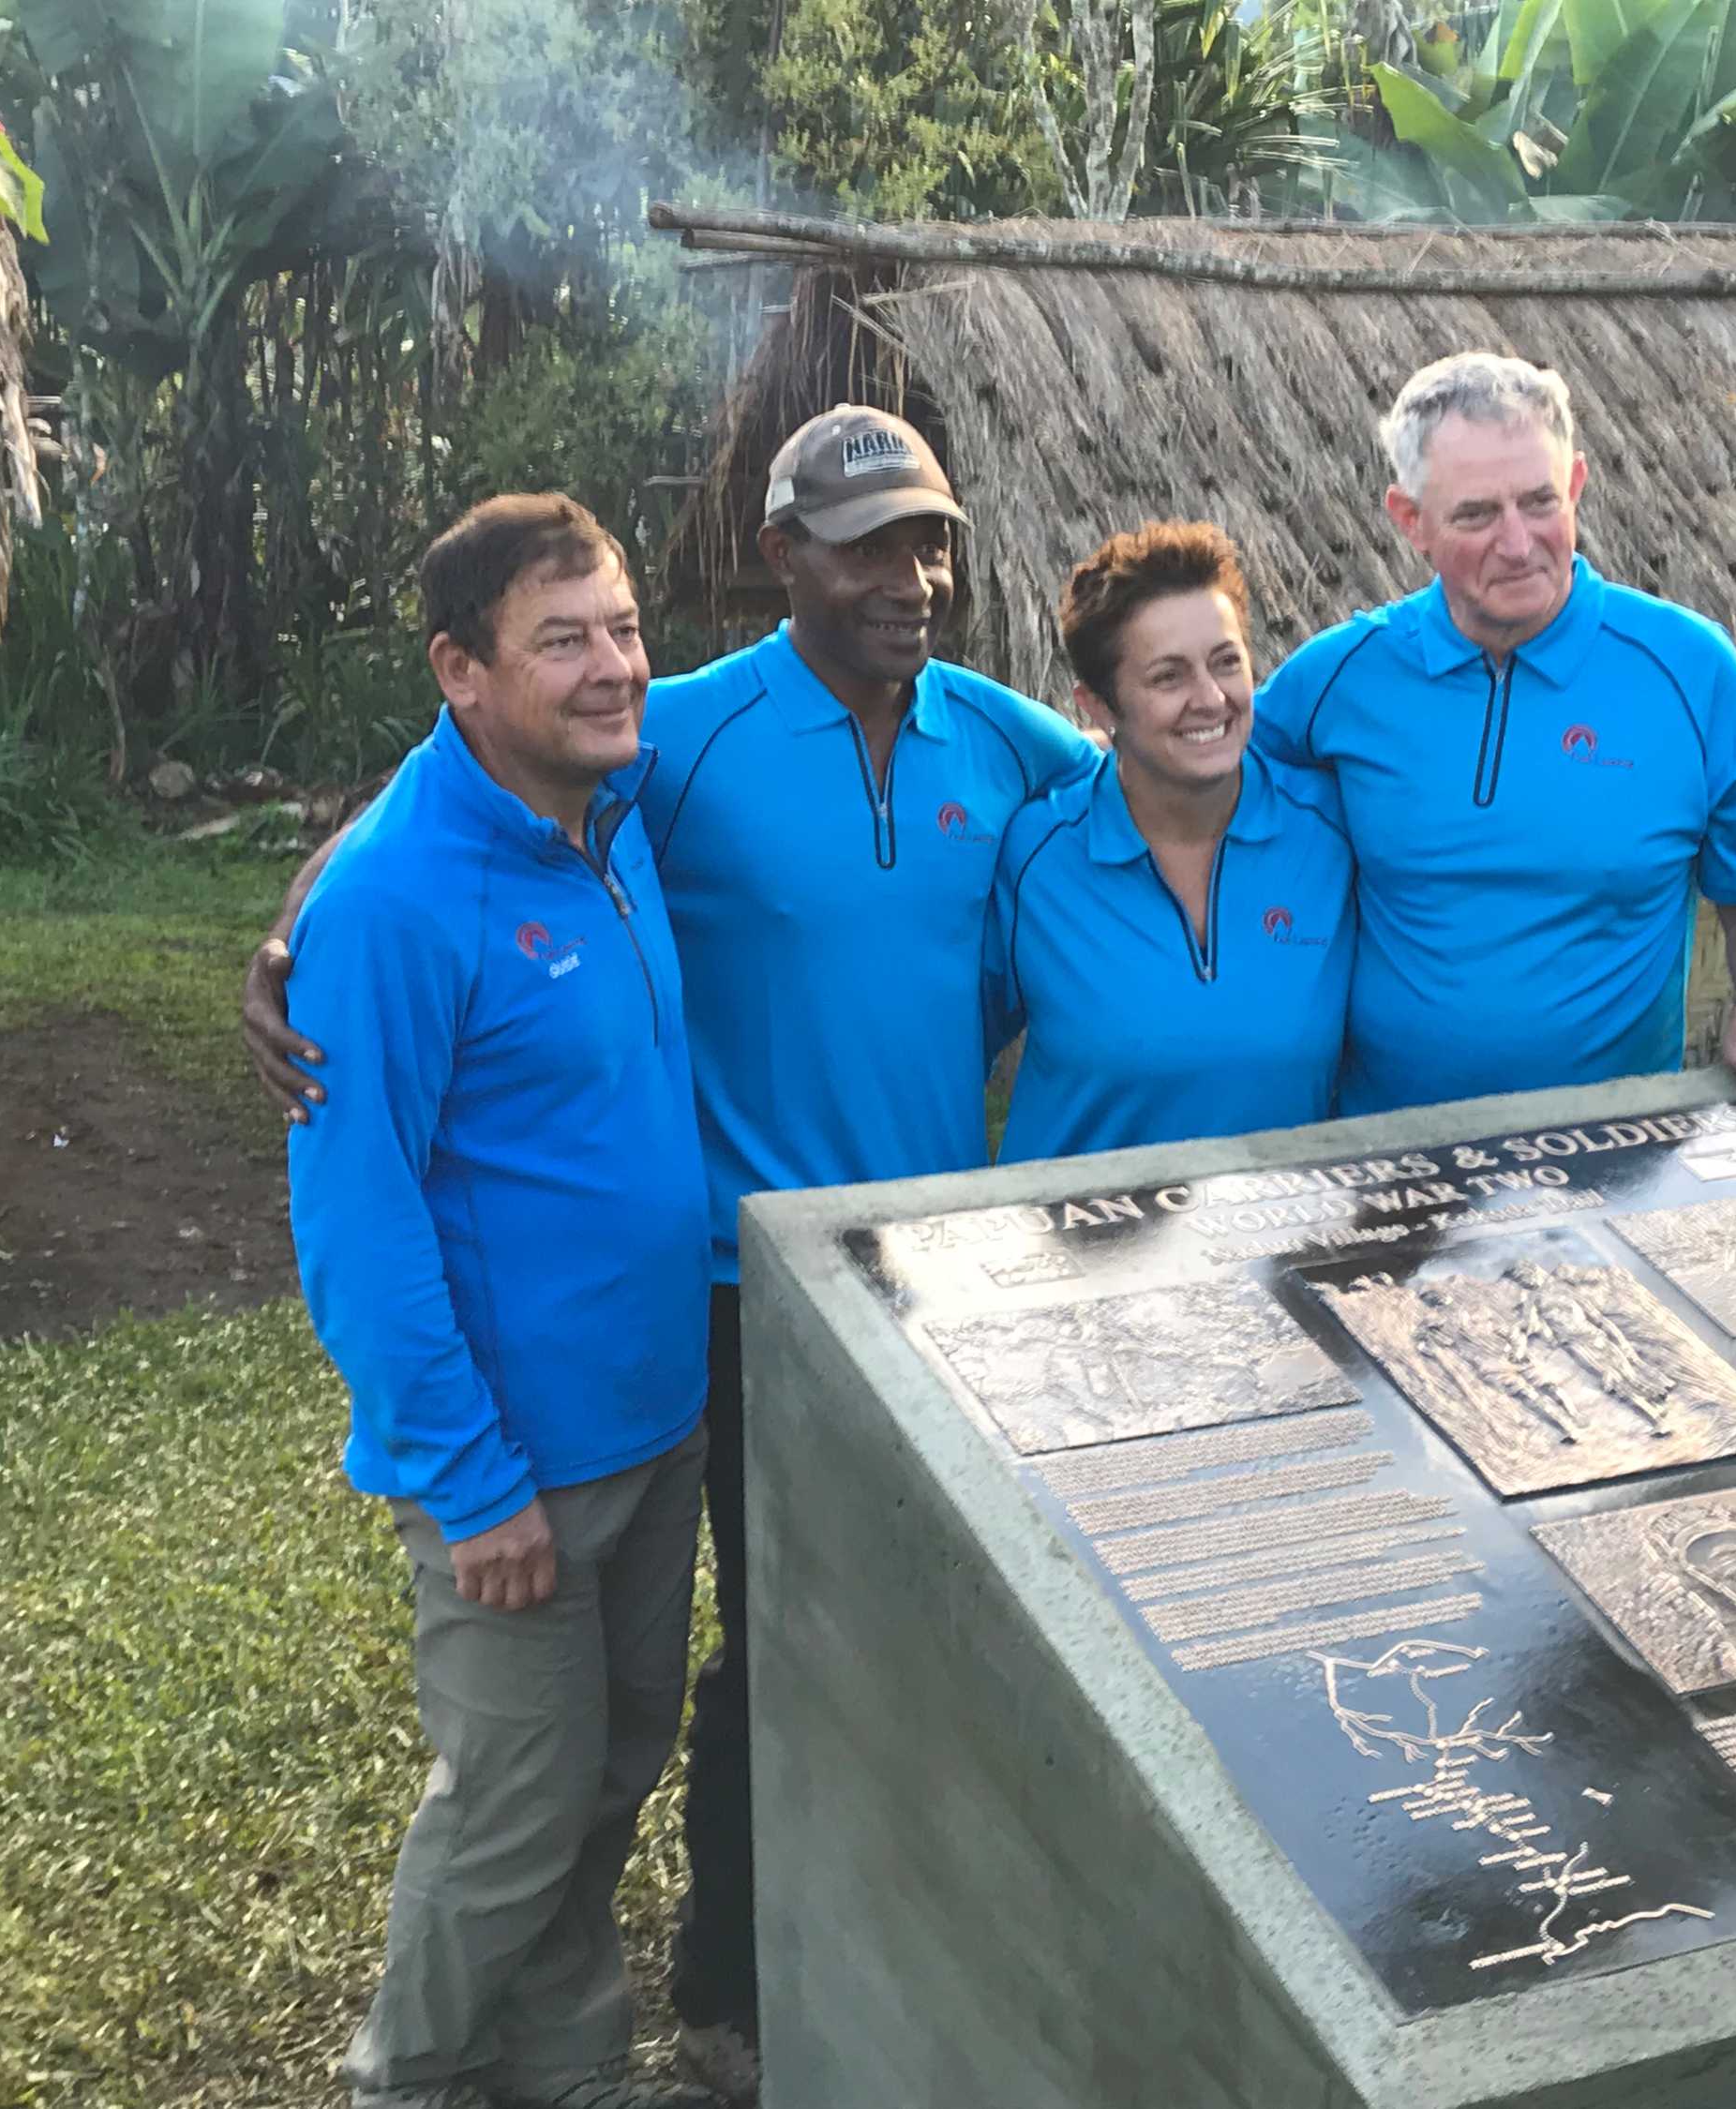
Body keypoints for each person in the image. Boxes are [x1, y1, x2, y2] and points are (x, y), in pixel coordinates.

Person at [246, 409, 1095, 2103]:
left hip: (913, 1299)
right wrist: (292, 934)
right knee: (685, 1705)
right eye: (864, 545)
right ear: (784, 558)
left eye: (926, 541)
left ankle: (600, 2058)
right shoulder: (682, 742)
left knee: (741, 1706)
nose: (906, 578)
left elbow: (1168, 768)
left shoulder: (971, 744)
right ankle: (637, 2010)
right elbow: (434, 824)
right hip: (730, 1307)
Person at [285, 495, 711, 2109]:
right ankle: (414, 2075)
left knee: (608, 1770)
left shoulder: (612, 800)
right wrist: (474, 1484)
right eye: (565, 642)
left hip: (650, 1419)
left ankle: (572, 2060)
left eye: (622, 630)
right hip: (516, 1466)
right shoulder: (399, 900)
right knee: (518, 1800)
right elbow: (357, 1220)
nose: (614, 670)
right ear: (461, 672)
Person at [1251, 352, 1736, 1126]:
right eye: (1476, 514)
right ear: (1410, 520)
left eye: (1539, 502)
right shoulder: (1337, 680)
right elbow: (1194, 777)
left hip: (1609, 1157)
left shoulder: (1690, 669)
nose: (1518, 543)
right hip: (1385, 1157)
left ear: (1576, 486)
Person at [986, 520, 1354, 1162]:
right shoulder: (1033, 857)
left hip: (1282, 1251)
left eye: (1226, 663)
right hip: (1077, 1254)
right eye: (1167, 678)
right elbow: (940, 1056)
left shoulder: (1334, 830)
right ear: (1099, 707)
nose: (1210, 699)